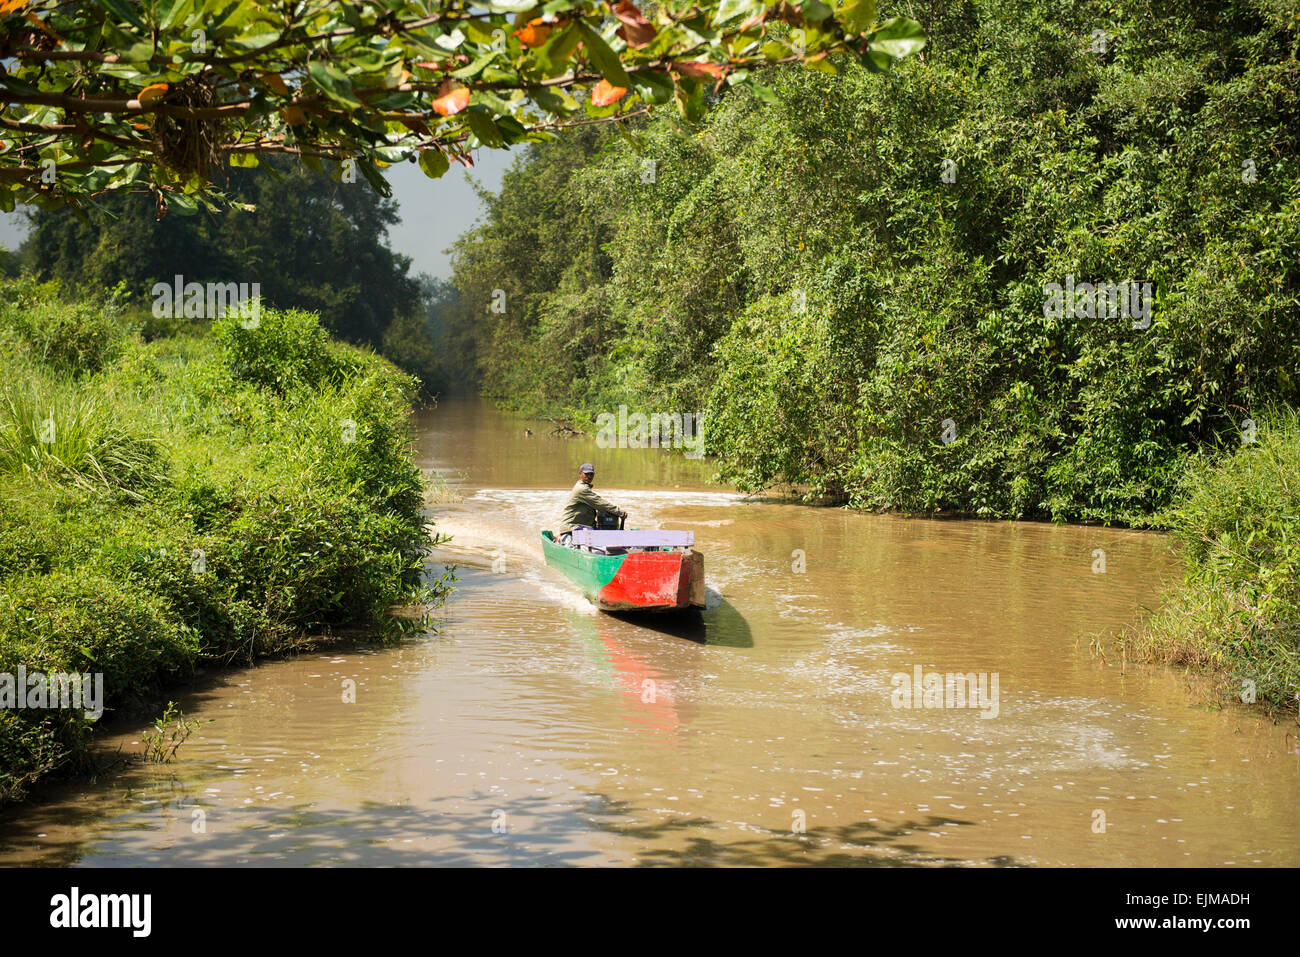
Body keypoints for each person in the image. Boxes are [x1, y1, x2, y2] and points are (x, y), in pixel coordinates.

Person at [558, 464, 626, 540]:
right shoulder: (582, 489)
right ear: (580, 474)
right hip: (571, 527)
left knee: (605, 535)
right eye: (586, 474)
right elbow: (601, 504)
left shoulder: (584, 487)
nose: (589, 476)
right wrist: (620, 513)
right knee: (602, 539)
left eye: (591, 474)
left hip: (581, 526)